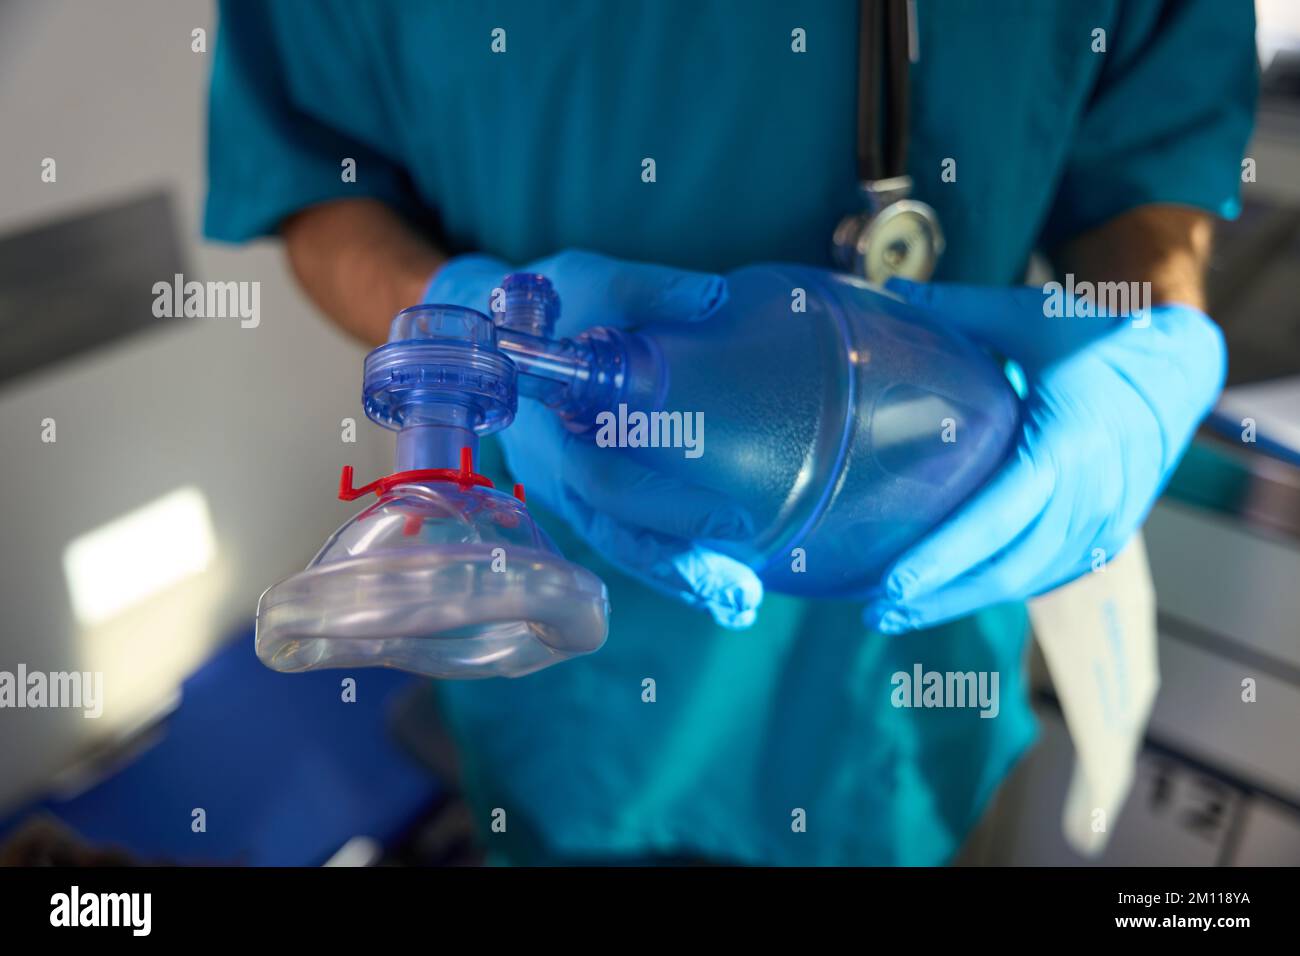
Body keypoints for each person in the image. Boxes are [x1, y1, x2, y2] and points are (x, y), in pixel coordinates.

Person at [205, 0, 1257, 864]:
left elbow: (1151, 161)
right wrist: (457, 301)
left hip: (915, 639)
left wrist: (1147, 344)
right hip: (575, 679)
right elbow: (315, 184)